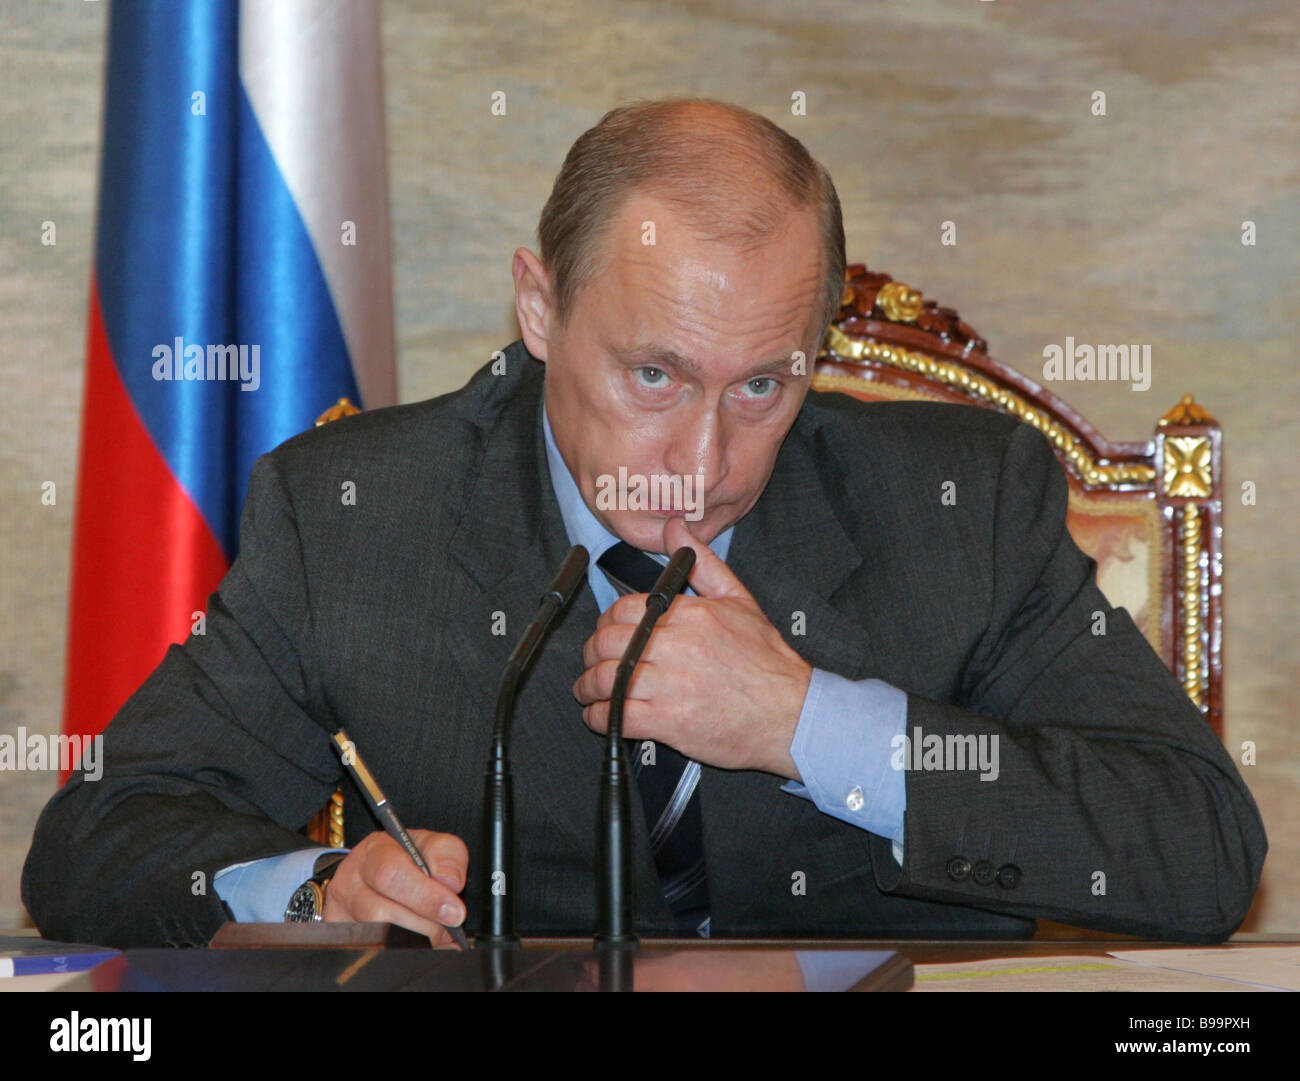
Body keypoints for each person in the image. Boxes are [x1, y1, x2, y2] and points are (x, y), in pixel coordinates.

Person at [24, 99, 1266, 949]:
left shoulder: (959, 507)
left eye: (763, 387)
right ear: (540, 306)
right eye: (653, 377)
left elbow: (1200, 850)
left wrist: (806, 723)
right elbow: (95, 838)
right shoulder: (355, 515)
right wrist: (308, 891)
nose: (703, 463)